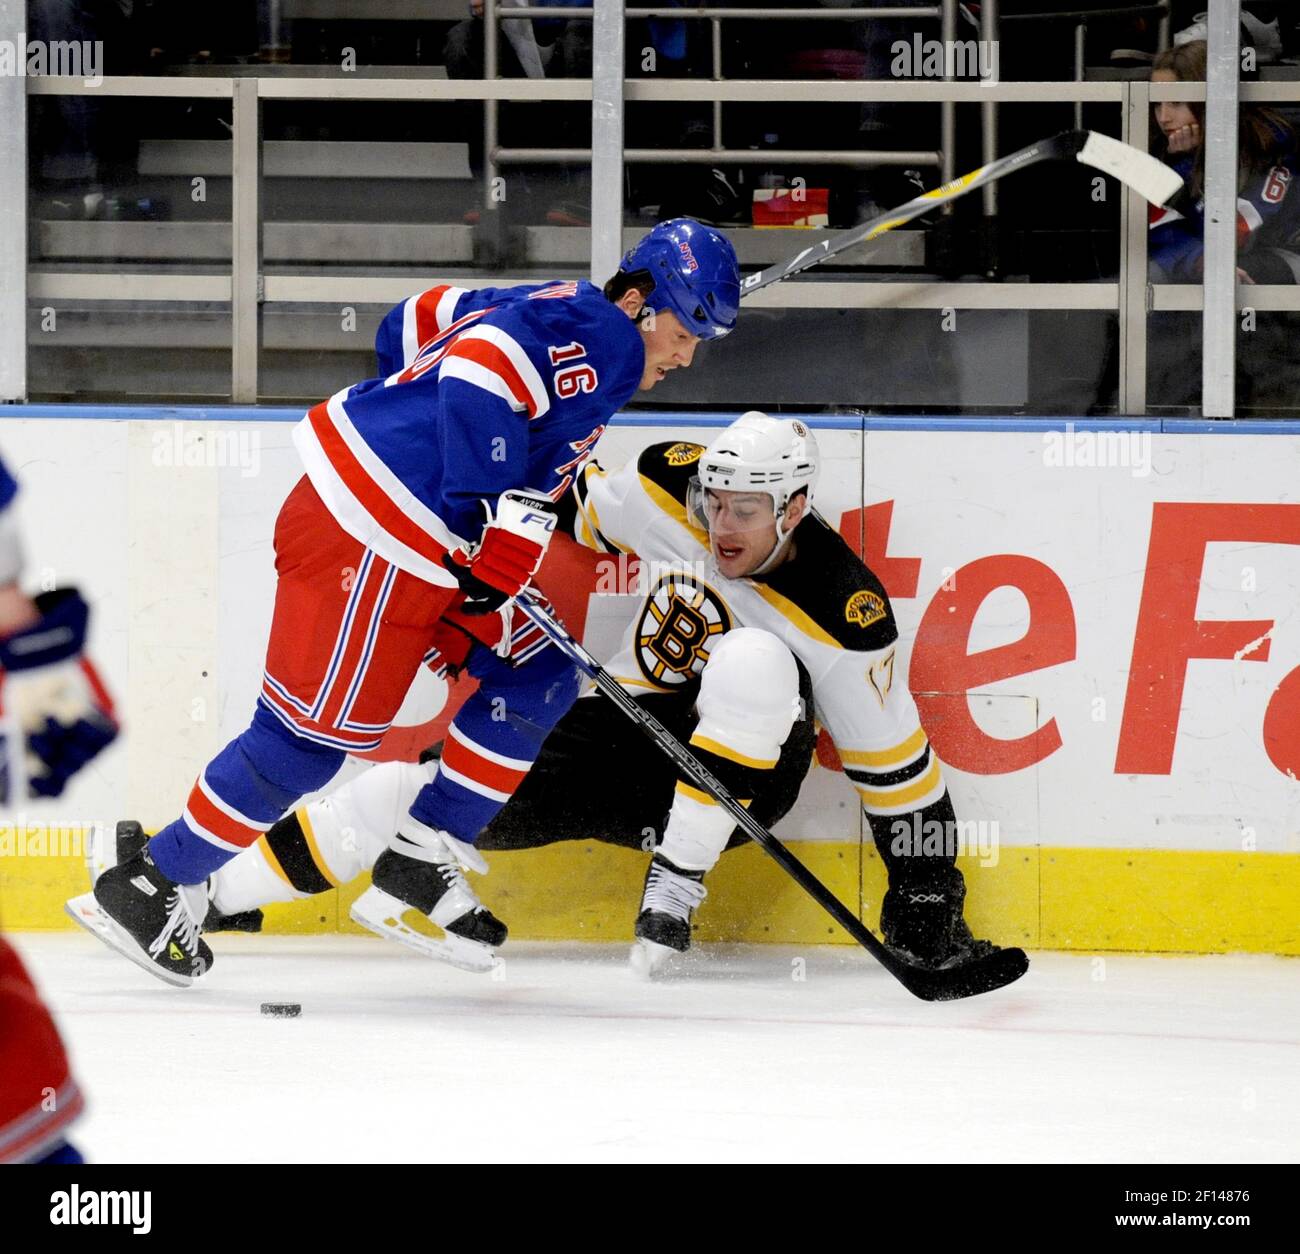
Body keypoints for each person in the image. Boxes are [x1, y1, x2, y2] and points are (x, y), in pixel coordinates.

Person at [69, 218, 742, 985]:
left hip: (417, 547)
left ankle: (421, 858)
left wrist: (427, 444)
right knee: (305, 743)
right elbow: (483, 369)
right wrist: (494, 511)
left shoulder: (554, 304)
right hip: (370, 538)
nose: (687, 354)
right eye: (688, 329)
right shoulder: (611, 340)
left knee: (539, 666)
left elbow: (412, 321)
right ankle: (152, 883)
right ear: (643, 302)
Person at [123, 414, 1004, 977]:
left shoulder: (844, 614)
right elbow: (562, 504)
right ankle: (207, 895)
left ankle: (674, 890)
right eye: (715, 502)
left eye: (745, 511)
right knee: (409, 798)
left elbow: (903, 777)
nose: (719, 525)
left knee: (754, 665)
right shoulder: (667, 487)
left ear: (797, 506)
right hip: (614, 735)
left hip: (738, 783)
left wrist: (929, 892)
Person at [1149, 40, 1300, 285]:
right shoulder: (1164, 151)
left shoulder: (1274, 145)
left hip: (1279, 254)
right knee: (1148, 275)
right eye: (1158, 104)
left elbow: (1234, 234)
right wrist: (1196, 258)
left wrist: (1189, 168)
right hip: (1208, 256)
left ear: (1213, 99)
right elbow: (1160, 231)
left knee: (1217, 278)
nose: (1164, 118)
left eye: (1176, 103)